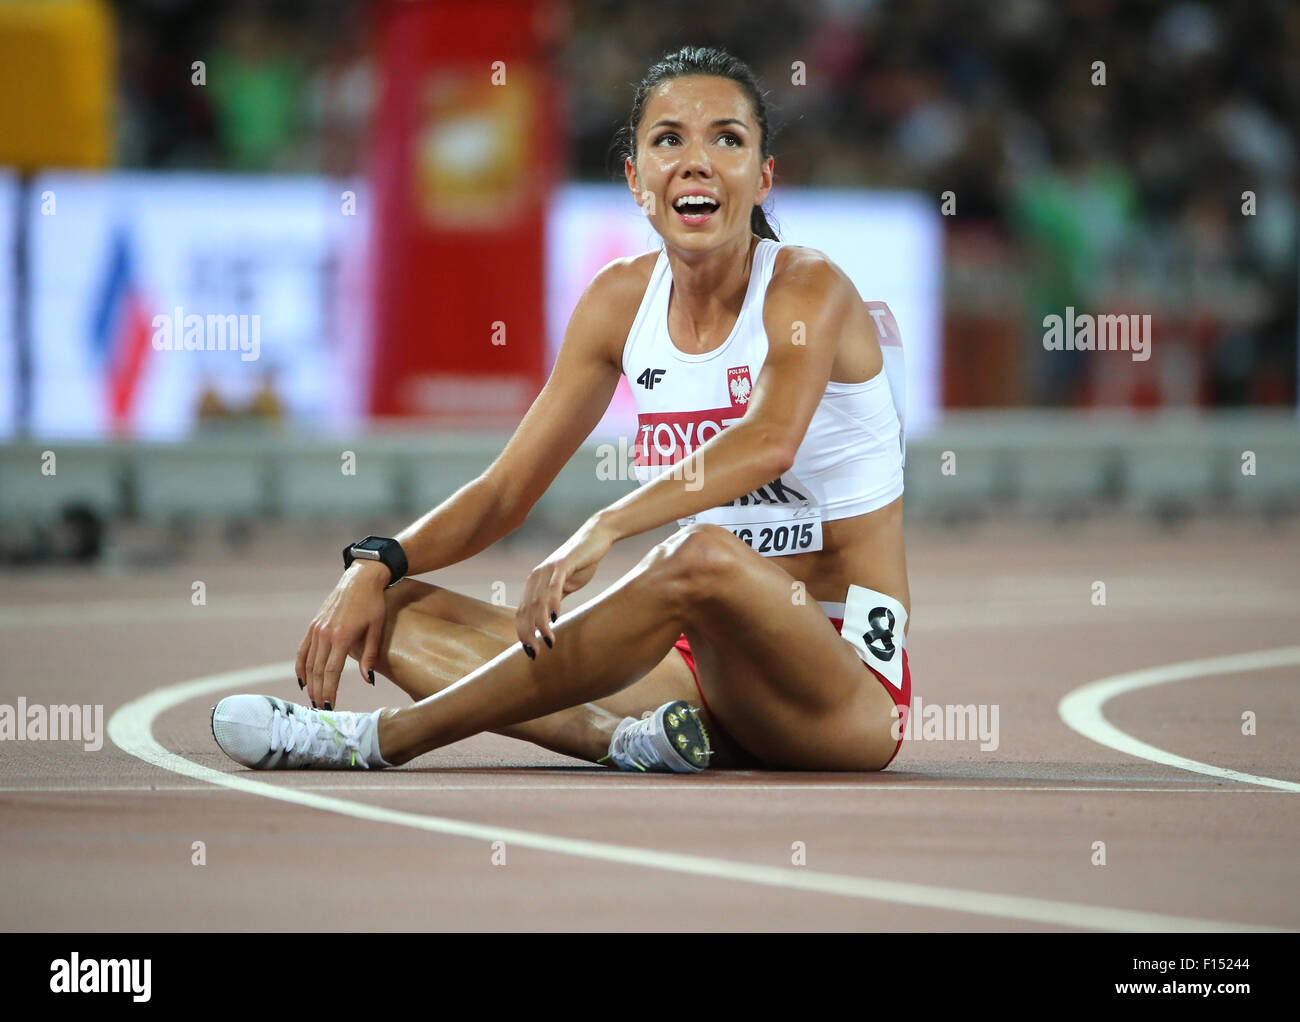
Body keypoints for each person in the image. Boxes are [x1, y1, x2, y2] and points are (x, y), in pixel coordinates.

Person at [212, 45, 912, 775]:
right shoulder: (618, 304)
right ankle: (618, 741)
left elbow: (768, 442)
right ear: (637, 181)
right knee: (387, 613)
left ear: (763, 178)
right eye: (669, 139)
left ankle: (379, 740)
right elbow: (504, 492)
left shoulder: (808, 286)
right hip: (702, 675)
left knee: (700, 556)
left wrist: (606, 525)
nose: (697, 161)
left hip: (842, 687)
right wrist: (375, 562)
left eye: (727, 139)